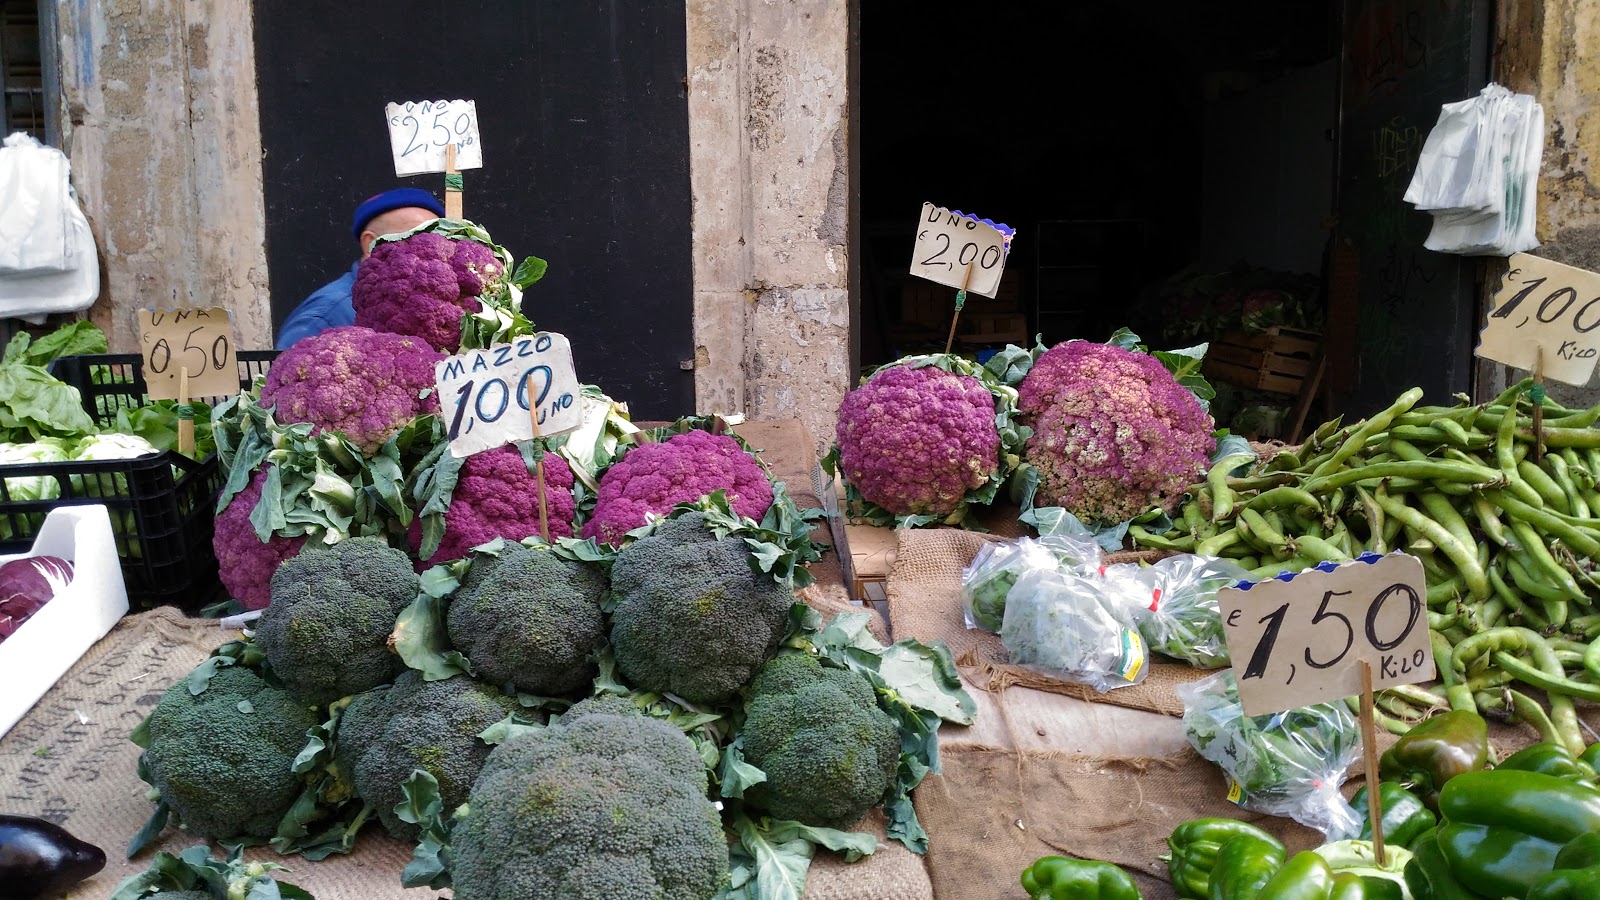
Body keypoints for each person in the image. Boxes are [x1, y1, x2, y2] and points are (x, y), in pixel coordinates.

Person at [274, 188, 446, 349]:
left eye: (437, 240)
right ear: (370, 244)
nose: (432, 251)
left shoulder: (439, 306)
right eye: (416, 239)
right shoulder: (324, 316)